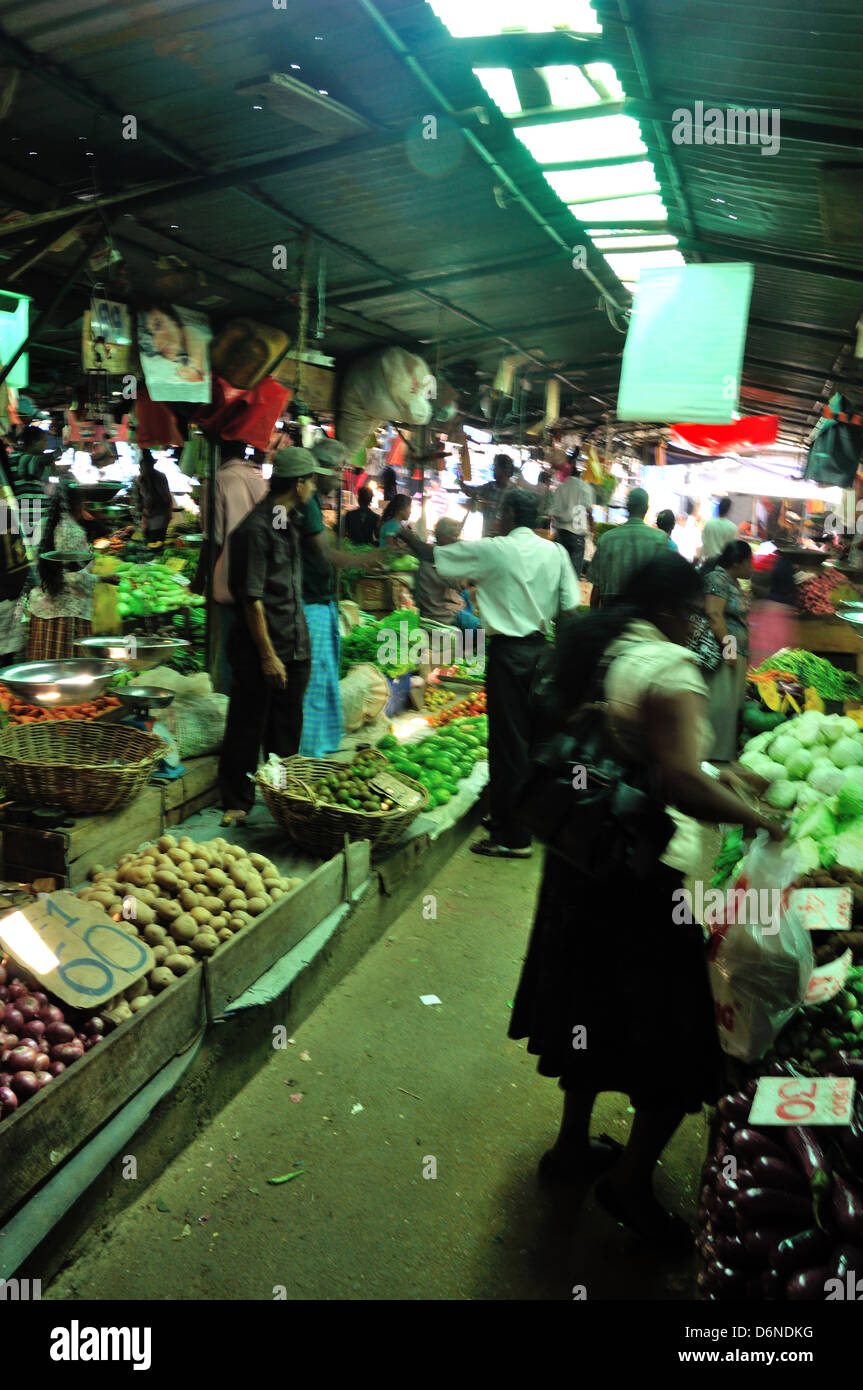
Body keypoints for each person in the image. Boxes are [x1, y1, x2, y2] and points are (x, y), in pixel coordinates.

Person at [508, 550, 784, 1246]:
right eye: (695, 611)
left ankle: (571, 1150)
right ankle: (628, 1184)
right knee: (673, 1038)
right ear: (670, 608)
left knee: (585, 1008)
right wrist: (761, 821)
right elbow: (677, 782)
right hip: (644, 877)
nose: (701, 622)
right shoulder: (668, 666)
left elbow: (630, 748)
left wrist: (727, 772)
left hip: (582, 863)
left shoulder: (600, 648)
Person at [401, 491, 580, 858]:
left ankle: (512, 838)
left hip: (508, 655)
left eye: (500, 512)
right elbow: (570, 610)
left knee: (508, 745)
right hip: (541, 653)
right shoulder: (557, 552)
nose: (497, 518)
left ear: (511, 512)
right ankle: (511, 820)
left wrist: (406, 537)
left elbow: (434, 556)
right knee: (530, 743)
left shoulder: (495, 549)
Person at [218, 449, 316, 825]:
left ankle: (283, 797)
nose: (314, 487)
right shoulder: (253, 530)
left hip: (293, 643)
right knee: (246, 725)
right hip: (262, 649)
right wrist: (268, 656)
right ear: (299, 484)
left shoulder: (282, 521)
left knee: (286, 728)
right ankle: (237, 802)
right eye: (312, 481)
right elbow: (251, 600)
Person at [297, 467, 382, 757]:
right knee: (316, 679)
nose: (340, 473)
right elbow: (325, 552)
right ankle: (310, 753)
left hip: (318, 602)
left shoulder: (314, 503)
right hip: (311, 603)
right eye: (336, 467)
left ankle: (318, 745)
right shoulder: (305, 503)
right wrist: (363, 559)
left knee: (321, 676)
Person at [194, 440, 266, 695]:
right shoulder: (259, 480)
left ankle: (224, 705)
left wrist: (199, 581)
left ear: (217, 451)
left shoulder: (217, 481)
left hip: (228, 580)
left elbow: (212, 539)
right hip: (262, 580)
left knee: (226, 649)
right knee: (254, 646)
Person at [26, 486, 118, 660]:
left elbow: (35, 565)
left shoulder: (43, 524)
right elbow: (76, 578)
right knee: (71, 673)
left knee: (46, 675)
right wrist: (103, 578)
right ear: (76, 504)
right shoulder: (73, 532)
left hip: (43, 611)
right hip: (67, 617)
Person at [703, 540, 754, 761]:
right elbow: (715, 616)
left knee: (731, 706)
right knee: (720, 704)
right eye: (749, 562)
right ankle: (711, 755)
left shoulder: (733, 581)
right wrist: (730, 650)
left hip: (736, 653)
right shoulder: (718, 578)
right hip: (724, 653)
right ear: (736, 562)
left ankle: (723, 754)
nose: (751, 567)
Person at [587, 487, 667, 606]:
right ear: (646, 509)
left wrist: (593, 619)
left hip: (610, 614)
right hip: (644, 614)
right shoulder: (660, 539)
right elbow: (664, 587)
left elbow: (596, 589)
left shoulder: (606, 539)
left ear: (627, 508)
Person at [414, 517, 480, 631]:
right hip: (442, 613)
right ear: (443, 538)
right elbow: (462, 583)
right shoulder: (436, 559)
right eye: (454, 536)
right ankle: (469, 645)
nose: (457, 540)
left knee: (467, 595)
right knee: (480, 628)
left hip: (446, 601)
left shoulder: (436, 552)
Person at [549, 459, 595, 575]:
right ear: (579, 475)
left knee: (561, 568)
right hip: (577, 533)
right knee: (574, 572)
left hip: (561, 533)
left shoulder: (560, 488)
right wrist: (592, 527)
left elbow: (553, 513)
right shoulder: (584, 487)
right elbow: (589, 510)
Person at [457, 453, 517, 537]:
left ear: (503, 470)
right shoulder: (490, 487)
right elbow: (470, 491)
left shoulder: (514, 493)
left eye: (495, 467)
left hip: (503, 538)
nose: (493, 469)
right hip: (487, 536)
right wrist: (460, 481)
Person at [130, 450, 174, 545]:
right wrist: (139, 521)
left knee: (157, 544)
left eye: (148, 466)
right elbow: (136, 504)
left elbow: (166, 499)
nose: (144, 469)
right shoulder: (138, 481)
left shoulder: (160, 478)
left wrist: (168, 515)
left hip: (159, 518)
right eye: (143, 467)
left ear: (152, 466)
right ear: (140, 467)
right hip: (146, 520)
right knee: (146, 545)